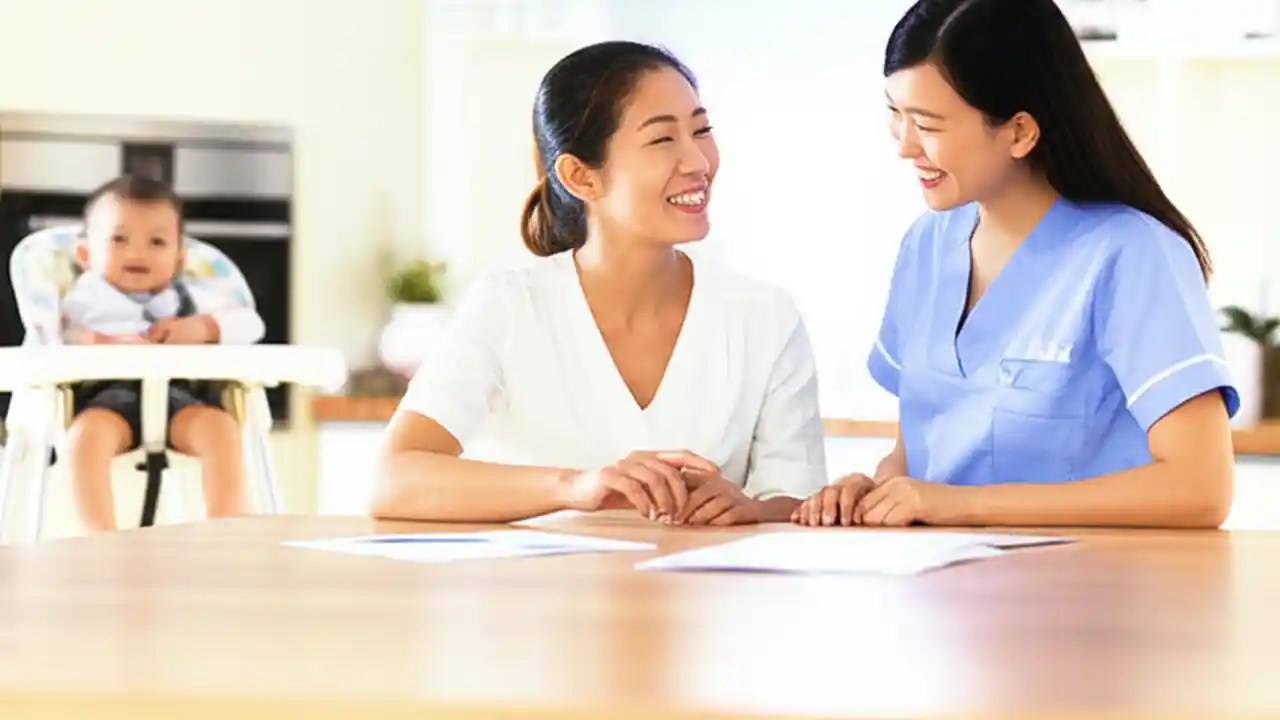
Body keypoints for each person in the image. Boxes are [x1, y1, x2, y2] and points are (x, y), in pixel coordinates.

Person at [795, 0, 1238, 529]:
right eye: (896, 114)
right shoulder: (926, 248)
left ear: (1020, 132)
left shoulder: (1131, 254)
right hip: (940, 597)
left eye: (928, 124)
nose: (905, 146)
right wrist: (876, 491)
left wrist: (962, 505)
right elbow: (917, 459)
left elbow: (1200, 488)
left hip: (1087, 598)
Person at [373, 41, 826, 526]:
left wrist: (751, 509)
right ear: (580, 177)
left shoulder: (763, 314)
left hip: (702, 599)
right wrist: (577, 486)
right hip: (540, 596)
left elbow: (798, 502)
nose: (698, 161)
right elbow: (393, 480)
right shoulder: (512, 303)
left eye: (701, 130)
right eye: (662, 140)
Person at [62, 175, 262, 532]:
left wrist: (203, 328)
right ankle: (97, 537)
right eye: (119, 239)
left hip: (182, 400)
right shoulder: (84, 298)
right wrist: (109, 343)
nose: (137, 253)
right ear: (85, 254)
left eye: (157, 241)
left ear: (179, 257)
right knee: (83, 439)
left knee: (222, 429)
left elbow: (251, 325)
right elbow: (65, 334)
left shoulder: (191, 298)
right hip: (106, 402)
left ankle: (229, 527)